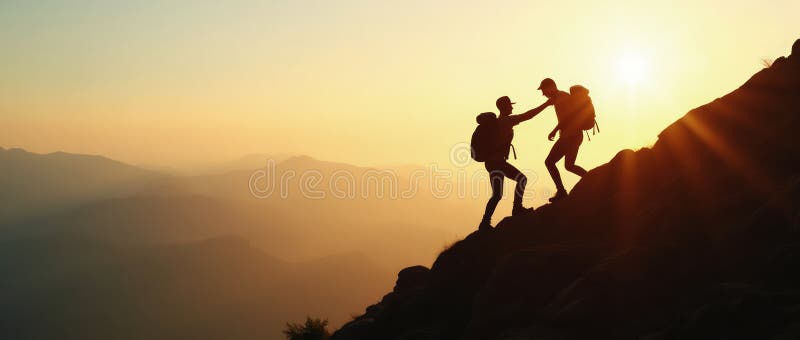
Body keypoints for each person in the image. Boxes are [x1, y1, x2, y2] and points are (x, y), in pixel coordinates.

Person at [477, 96, 552, 230]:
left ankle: (489, 220)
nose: (512, 107)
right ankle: (489, 221)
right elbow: (528, 115)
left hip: (494, 162)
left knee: (504, 190)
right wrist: (546, 104)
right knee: (506, 189)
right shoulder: (506, 121)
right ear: (504, 107)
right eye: (510, 105)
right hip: (496, 163)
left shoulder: (500, 122)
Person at [539, 78, 588, 202]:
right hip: (575, 135)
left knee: (549, 162)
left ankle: (561, 191)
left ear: (551, 87)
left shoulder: (561, 98)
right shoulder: (559, 97)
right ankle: (591, 179)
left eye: (544, 90)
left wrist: (554, 130)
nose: (543, 94)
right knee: (569, 165)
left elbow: (566, 118)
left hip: (570, 136)